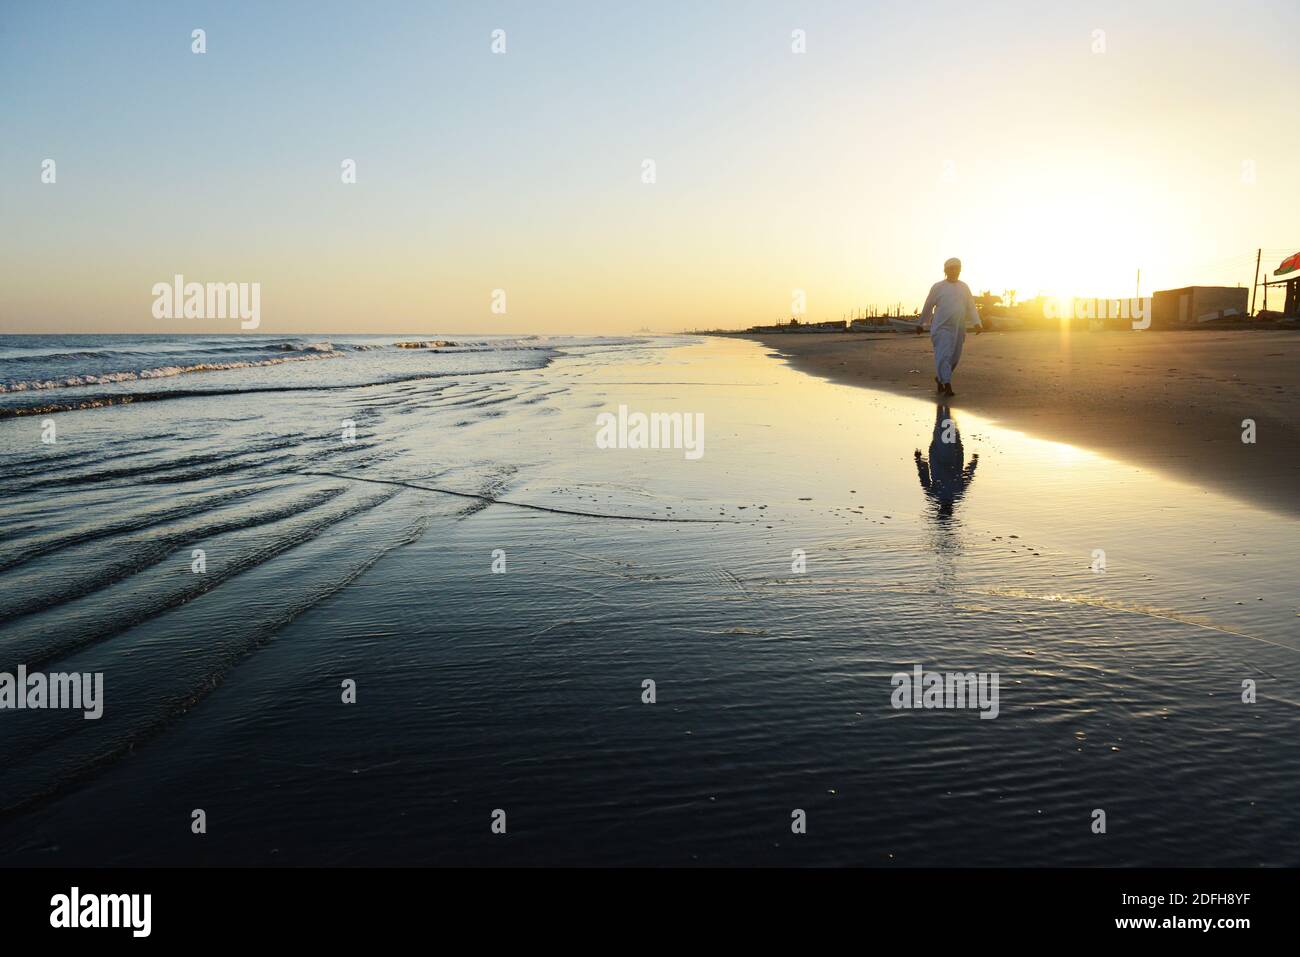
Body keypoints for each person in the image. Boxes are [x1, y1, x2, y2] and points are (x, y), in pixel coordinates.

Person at [918, 257, 982, 396]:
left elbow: (971, 306)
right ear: (946, 271)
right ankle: (947, 384)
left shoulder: (964, 287)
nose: (955, 272)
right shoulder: (938, 287)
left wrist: (977, 323)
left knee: (954, 358)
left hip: (958, 328)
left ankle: (940, 378)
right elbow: (928, 306)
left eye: (957, 269)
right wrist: (921, 324)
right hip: (941, 328)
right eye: (952, 269)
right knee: (944, 355)